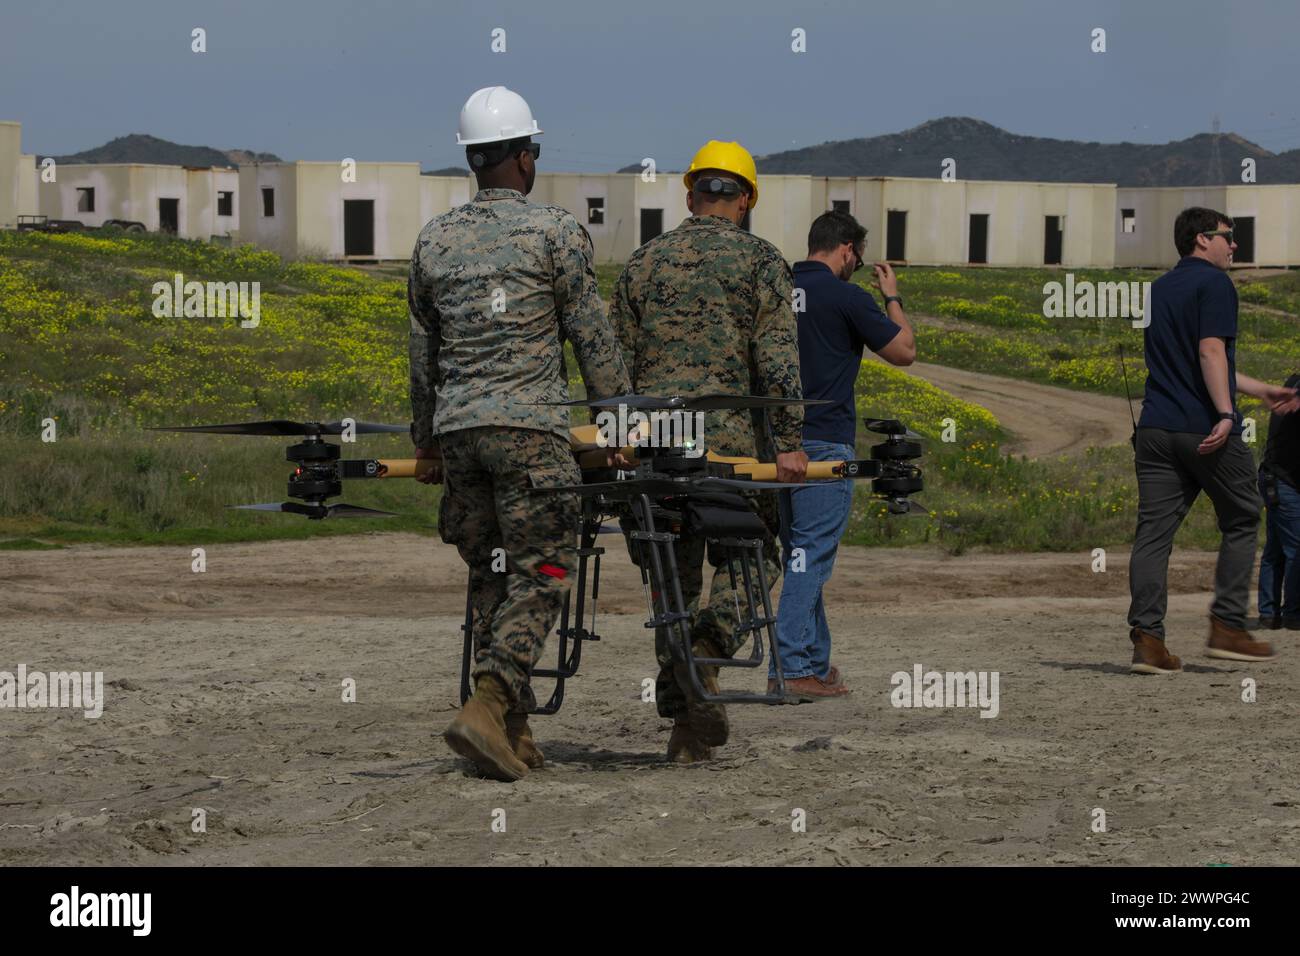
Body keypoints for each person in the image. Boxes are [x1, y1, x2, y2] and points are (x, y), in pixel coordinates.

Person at [409, 86, 630, 779]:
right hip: (531, 433)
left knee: (493, 574)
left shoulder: (434, 240)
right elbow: (591, 336)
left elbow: (422, 353)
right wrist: (617, 420)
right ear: (525, 159)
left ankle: (512, 731)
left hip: (463, 436)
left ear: (473, 161)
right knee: (548, 568)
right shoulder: (555, 234)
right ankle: (491, 699)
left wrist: (427, 442)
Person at [608, 139, 808, 763]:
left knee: (669, 572)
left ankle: (687, 722)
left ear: (691, 195)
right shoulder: (762, 262)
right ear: (746, 200)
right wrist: (792, 445)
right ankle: (711, 651)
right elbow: (776, 362)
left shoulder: (643, 263)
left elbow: (613, 366)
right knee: (758, 552)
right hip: (728, 448)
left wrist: (616, 435)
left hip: (655, 448)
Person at [1127, 207, 1298, 673]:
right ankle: (1227, 627)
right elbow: (1209, 350)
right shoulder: (1216, 284)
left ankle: (1148, 642)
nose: (1234, 244)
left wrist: (1260, 390)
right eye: (1228, 235)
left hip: (1155, 429)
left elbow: (1196, 361)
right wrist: (1226, 413)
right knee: (1243, 514)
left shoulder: (1160, 289)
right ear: (1202, 240)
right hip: (1201, 426)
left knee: (1153, 535)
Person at [769, 211, 915, 700]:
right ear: (848, 249)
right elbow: (904, 352)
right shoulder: (847, 296)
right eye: (859, 256)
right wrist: (891, 295)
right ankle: (790, 669)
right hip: (823, 443)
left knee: (802, 556)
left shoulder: (775, 288)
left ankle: (813, 661)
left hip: (774, 447)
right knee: (810, 559)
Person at [1255, 370, 1300, 629]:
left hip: (1276, 478)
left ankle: (1269, 613)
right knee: (1296, 549)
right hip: (1283, 481)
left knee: (1276, 550)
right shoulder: (1296, 387)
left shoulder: (1293, 382)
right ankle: (1293, 613)